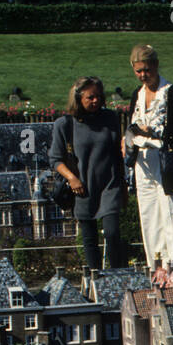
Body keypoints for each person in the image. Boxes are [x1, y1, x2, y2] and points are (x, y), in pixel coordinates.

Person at [126, 44, 173, 280]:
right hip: (144, 164)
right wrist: (132, 135)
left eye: (147, 69)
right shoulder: (137, 95)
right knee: (149, 215)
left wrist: (156, 133)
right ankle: (156, 270)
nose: (144, 75)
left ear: (156, 66)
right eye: (138, 71)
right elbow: (131, 127)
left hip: (171, 163)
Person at [51, 76, 128, 271]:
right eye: (90, 97)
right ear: (78, 98)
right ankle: (95, 279)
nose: (96, 101)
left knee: (112, 233)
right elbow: (55, 159)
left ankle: (118, 276)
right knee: (89, 239)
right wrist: (72, 178)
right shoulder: (65, 124)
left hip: (110, 185)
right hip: (83, 187)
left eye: (99, 97)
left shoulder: (110, 118)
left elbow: (117, 154)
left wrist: (124, 185)